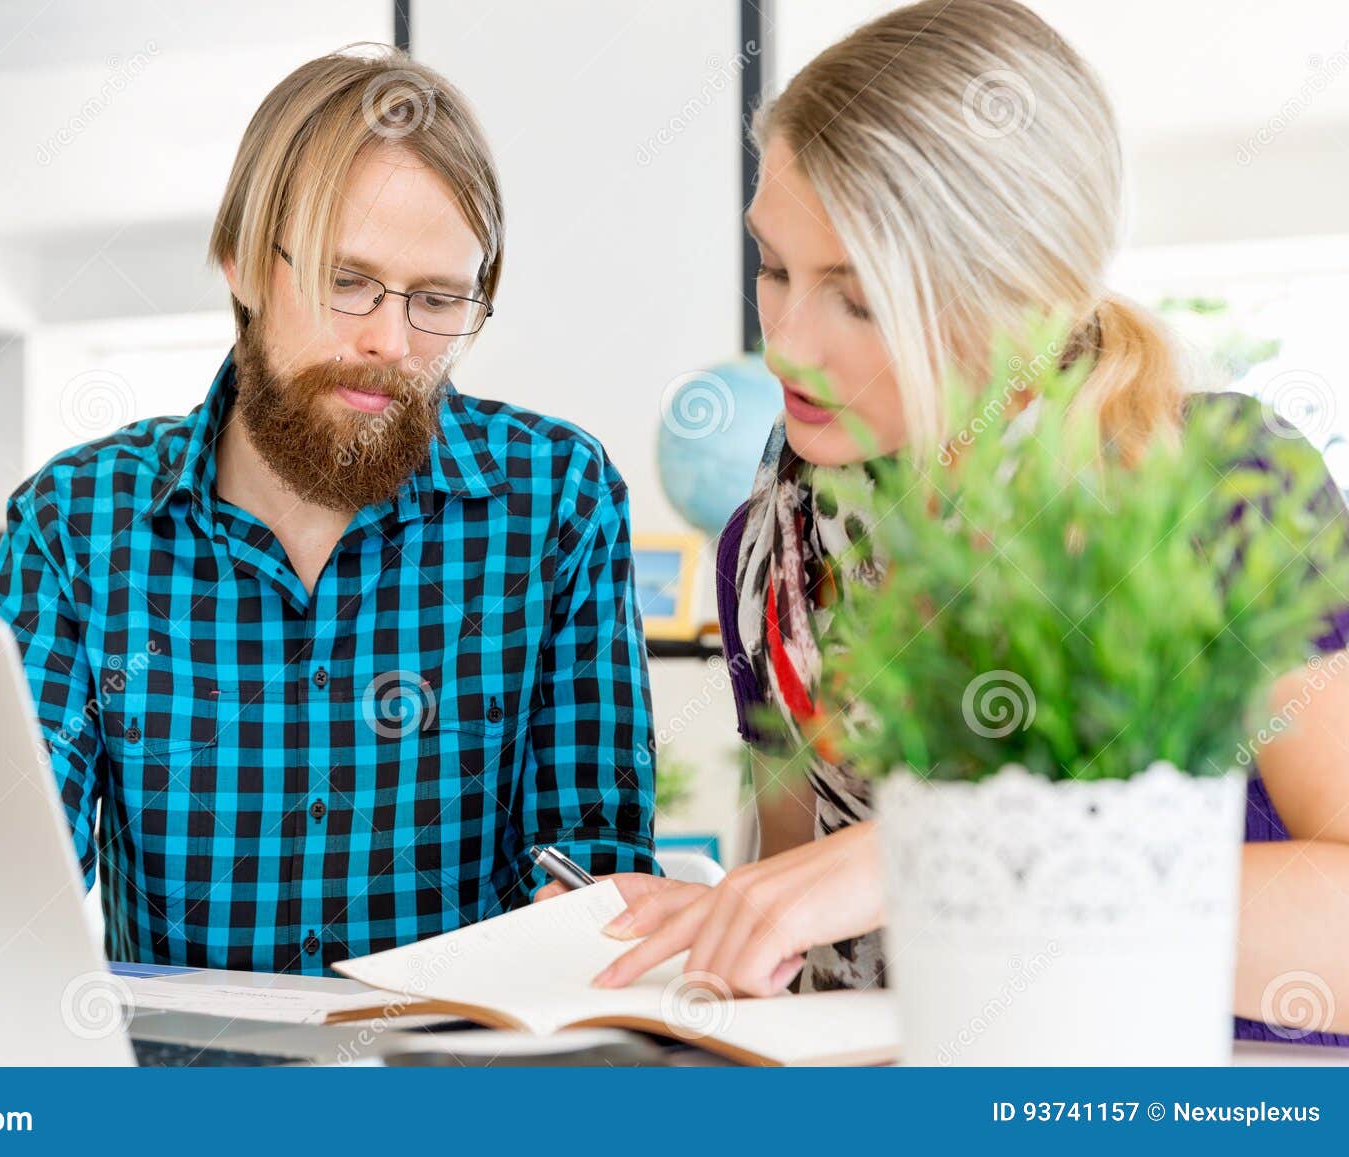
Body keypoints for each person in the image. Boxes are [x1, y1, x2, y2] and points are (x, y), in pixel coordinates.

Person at [540, 0, 1349, 1045]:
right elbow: (810, 943)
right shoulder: (775, 552)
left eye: (860, 299)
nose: (784, 342)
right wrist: (733, 923)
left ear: (1022, 298)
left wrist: (933, 858)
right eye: (775, 268)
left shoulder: (1215, 486)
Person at [0, 47, 657, 975]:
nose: (389, 341)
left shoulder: (554, 500)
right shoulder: (76, 524)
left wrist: (581, 924)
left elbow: (599, 875)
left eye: (438, 299)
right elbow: (12, 884)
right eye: (348, 283)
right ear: (241, 262)